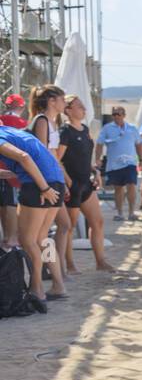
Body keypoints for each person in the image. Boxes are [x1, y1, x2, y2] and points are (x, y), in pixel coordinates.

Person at [0, 125, 65, 312]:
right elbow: (30, 159)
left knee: (28, 242)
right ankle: (59, 285)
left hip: (40, 186)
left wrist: (44, 188)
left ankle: (37, 290)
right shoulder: (11, 131)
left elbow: (24, 157)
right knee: (43, 238)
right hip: (56, 182)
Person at [59, 95, 112, 271]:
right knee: (69, 226)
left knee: (98, 222)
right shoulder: (65, 131)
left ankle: (100, 261)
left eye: (83, 106)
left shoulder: (84, 129)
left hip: (86, 183)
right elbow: (57, 160)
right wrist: (68, 182)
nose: (84, 109)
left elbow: (84, 158)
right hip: (72, 185)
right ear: (68, 110)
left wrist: (95, 171)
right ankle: (70, 264)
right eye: (79, 106)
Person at [27, 85, 74, 276]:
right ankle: (57, 273)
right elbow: (45, 154)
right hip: (49, 180)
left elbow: (50, 155)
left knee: (54, 230)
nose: (65, 103)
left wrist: (62, 179)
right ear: (52, 101)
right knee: (45, 234)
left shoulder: (49, 122)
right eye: (62, 99)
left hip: (51, 180)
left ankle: (56, 272)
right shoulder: (44, 122)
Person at [95, 106, 142, 221]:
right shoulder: (107, 128)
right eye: (114, 114)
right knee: (118, 188)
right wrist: (98, 158)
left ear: (124, 115)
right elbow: (99, 144)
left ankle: (132, 212)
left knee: (131, 185)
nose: (116, 116)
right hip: (114, 163)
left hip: (130, 162)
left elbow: (139, 144)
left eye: (119, 114)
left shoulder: (132, 128)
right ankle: (119, 213)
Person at [0, 96, 23, 247]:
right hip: (13, 165)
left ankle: (7, 236)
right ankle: (12, 237)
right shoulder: (22, 123)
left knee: (4, 202)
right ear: (21, 107)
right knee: (11, 203)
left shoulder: (2, 119)